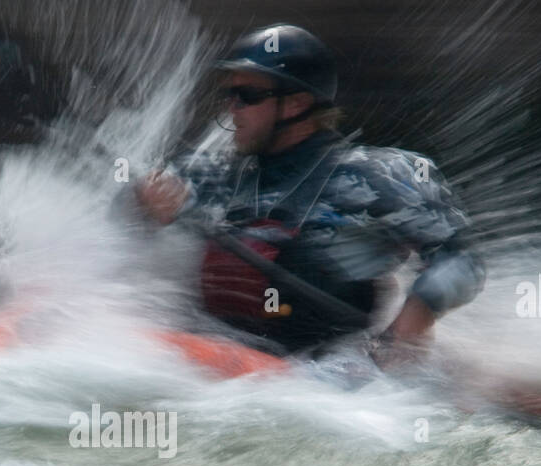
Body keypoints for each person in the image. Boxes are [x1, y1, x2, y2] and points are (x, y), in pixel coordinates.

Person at [135, 24, 485, 370]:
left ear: (296, 104)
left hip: (329, 374)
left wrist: (413, 320)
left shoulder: (378, 175)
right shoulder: (208, 175)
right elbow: (113, 235)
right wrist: (142, 204)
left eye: (248, 96)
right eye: (230, 95)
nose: (232, 107)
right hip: (212, 358)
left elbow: (460, 258)